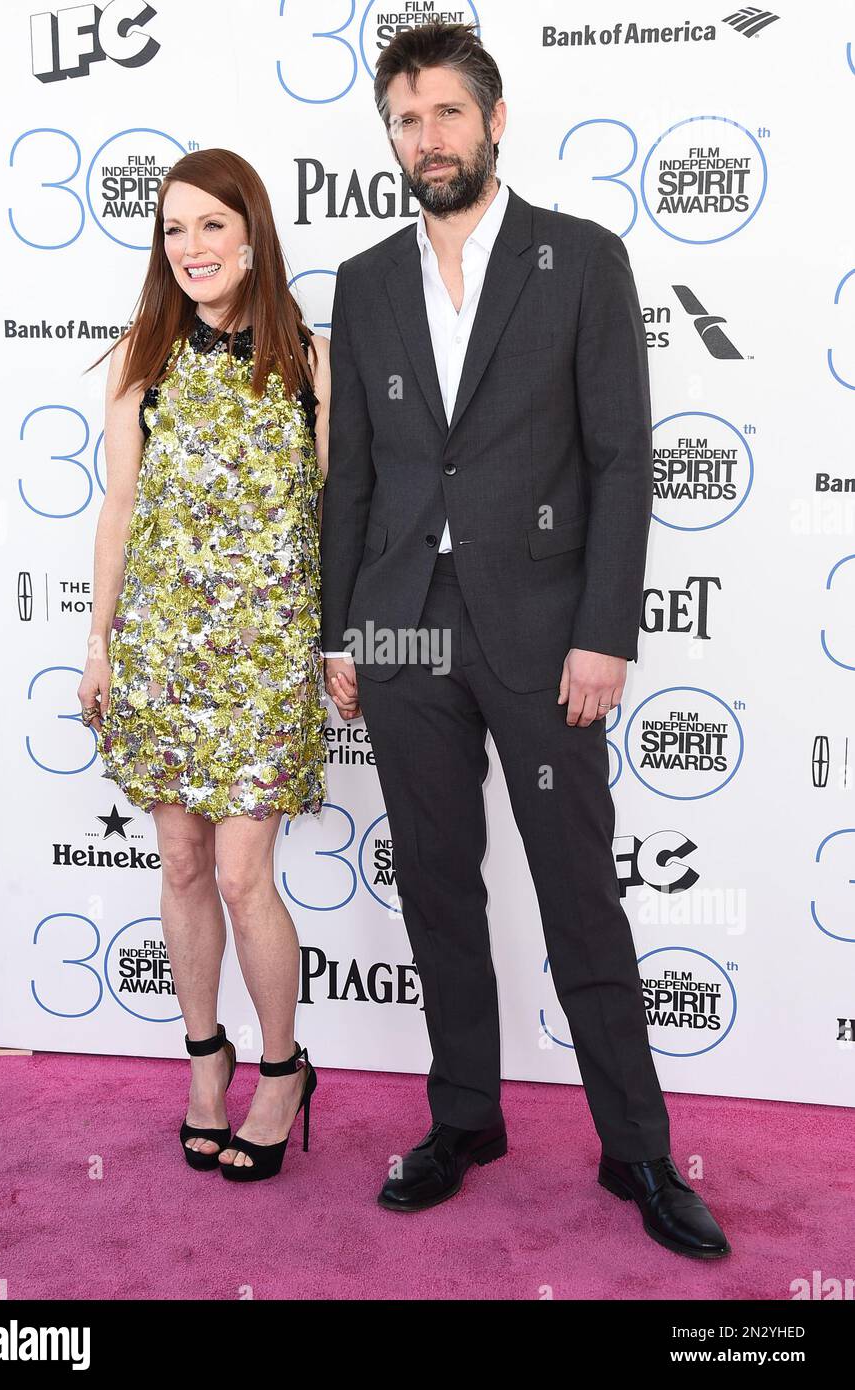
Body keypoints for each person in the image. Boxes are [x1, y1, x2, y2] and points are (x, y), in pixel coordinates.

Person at [320, 22, 730, 1258]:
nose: (426, 138)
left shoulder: (580, 258)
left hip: (546, 632)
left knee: (575, 890)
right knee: (437, 887)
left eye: (446, 113)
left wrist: (605, 632)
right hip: (400, 632)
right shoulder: (368, 280)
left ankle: (640, 1153)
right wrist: (343, 629)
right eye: (405, 118)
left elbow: (620, 455)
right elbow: (354, 481)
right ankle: (464, 1120)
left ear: (493, 122)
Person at [79, 149, 327, 1182]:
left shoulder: (307, 357)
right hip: (161, 652)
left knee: (241, 873)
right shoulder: (141, 357)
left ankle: (282, 1069)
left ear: (253, 234)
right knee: (181, 864)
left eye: (210, 226)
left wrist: (339, 639)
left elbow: (337, 510)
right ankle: (202, 1056)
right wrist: (97, 641)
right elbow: (122, 508)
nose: (190, 248)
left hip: (266, 656)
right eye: (173, 230)